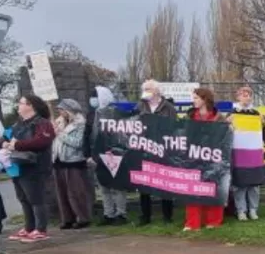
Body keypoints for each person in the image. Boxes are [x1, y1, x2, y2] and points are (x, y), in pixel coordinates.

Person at [4, 94, 55, 245]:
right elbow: (6, 137)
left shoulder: (43, 123)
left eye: (21, 103)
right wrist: (5, 143)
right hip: (18, 165)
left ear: (30, 106)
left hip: (35, 166)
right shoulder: (19, 124)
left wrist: (18, 145)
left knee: (36, 198)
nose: (18, 106)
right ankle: (29, 227)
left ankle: (40, 229)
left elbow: (42, 141)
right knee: (23, 198)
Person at [183, 88, 227, 231]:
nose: (193, 100)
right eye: (193, 97)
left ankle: (213, 221)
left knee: (213, 189)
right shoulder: (189, 117)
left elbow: (225, 138)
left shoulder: (218, 117)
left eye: (196, 98)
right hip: (193, 158)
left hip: (213, 158)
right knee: (193, 190)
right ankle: (192, 223)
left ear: (204, 99)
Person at [137, 80, 177, 225]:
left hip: (162, 149)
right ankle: (145, 216)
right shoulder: (140, 106)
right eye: (144, 89)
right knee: (144, 184)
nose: (146, 91)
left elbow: (174, 128)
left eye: (148, 89)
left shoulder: (169, 108)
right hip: (144, 148)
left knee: (164, 182)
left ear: (157, 91)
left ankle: (167, 216)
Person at [88, 86, 128, 225]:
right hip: (99, 155)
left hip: (113, 153)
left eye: (95, 96)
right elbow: (93, 135)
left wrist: (115, 149)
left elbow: (120, 134)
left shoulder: (114, 113)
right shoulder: (95, 113)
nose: (92, 100)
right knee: (104, 187)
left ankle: (121, 214)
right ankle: (108, 214)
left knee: (116, 187)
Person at [51, 99, 94, 230]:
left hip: (73, 161)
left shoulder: (80, 124)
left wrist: (60, 134)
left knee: (75, 192)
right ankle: (67, 218)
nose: (60, 112)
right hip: (59, 161)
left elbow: (77, 143)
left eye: (62, 110)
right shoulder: (60, 122)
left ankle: (82, 217)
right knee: (61, 192)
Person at [230, 86, 265, 221]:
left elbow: (264, 134)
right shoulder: (232, 113)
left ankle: (253, 209)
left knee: (254, 184)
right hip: (239, 153)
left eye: (248, 95)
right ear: (238, 96)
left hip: (254, 154)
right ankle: (241, 210)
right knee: (240, 183)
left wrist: (263, 126)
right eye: (243, 95)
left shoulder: (256, 114)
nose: (246, 97)